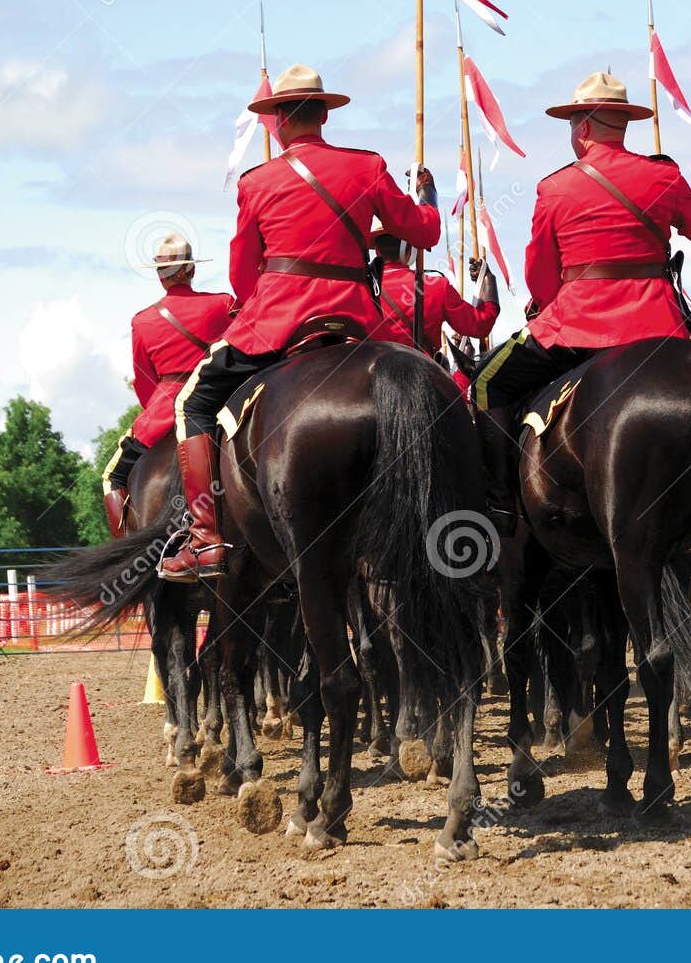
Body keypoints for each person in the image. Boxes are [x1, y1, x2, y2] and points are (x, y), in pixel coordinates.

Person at [160, 64, 440, 582]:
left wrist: (257, 302)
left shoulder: (257, 182)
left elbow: (243, 271)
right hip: (358, 318)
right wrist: (429, 201)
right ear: (324, 114)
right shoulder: (368, 165)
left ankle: (204, 540)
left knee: (191, 402)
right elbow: (422, 234)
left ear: (282, 119)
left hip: (277, 322)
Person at [471, 71, 691, 531]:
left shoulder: (554, 189)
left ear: (584, 128)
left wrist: (546, 304)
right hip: (658, 328)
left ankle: (499, 504)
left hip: (575, 328)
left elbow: (541, 276)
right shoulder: (662, 176)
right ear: (622, 124)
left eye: (573, 123)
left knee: (487, 382)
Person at [101, 234, 233, 539]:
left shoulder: (143, 321)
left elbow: (144, 381)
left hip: (164, 413)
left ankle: (125, 553)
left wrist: (157, 411)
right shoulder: (222, 304)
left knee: (112, 477)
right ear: (191, 270)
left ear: (160, 276)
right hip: (218, 401)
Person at [368, 224, 500, 355]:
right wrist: (488, 280)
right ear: (409, 248)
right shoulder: (436, 286)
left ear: (377, 251)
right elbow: (480, 325)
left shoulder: (360, 287)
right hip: (421, 369)